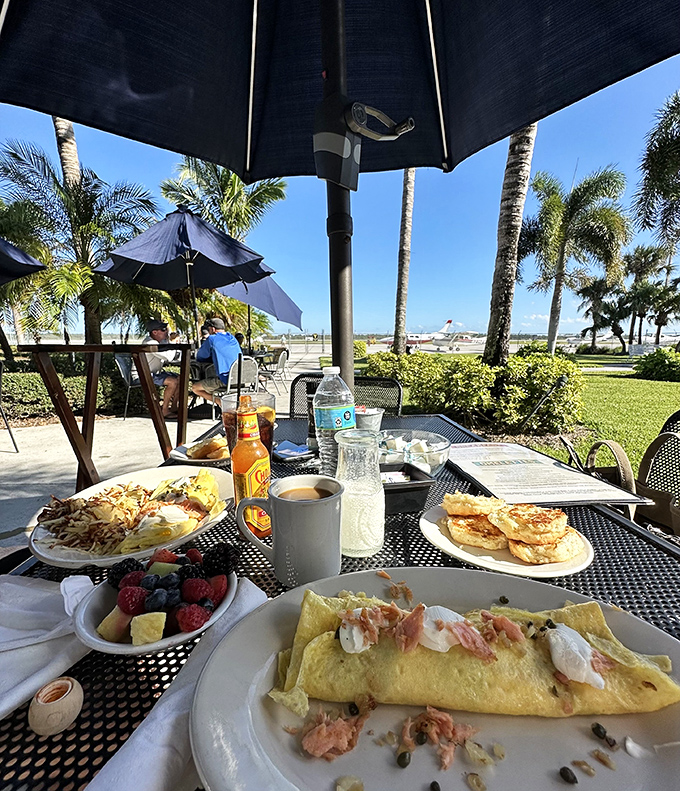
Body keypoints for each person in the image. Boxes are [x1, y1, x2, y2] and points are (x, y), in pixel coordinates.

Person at [192, 317, 242, 404]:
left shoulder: (212, 339)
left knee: (195, 388)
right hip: (240, 379)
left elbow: (200, 357)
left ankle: (220, 403)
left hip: (225, 380)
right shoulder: (233, 338)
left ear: (212, 329)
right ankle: (224, 403)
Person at [141, 319, 181, 419]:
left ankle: (174, 407)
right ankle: (164, 410)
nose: (166, 332)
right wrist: (172, 343)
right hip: (144, 374)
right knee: (172, 382)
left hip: (154, 373)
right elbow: (168, 357)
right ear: (154, 332)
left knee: (181, 378)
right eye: (163, 330)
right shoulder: (150, 343)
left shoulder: (158, 342)